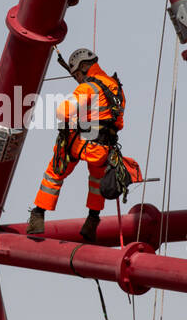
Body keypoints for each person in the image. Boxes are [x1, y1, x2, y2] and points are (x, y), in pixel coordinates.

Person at [27, 48, 125, 242]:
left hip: (82, 144)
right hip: (104, 149)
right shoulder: (116, 87)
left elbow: (63, 112)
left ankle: (38, 215)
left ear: (83, 68)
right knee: (97, 181)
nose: (78, 79)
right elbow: (115, 119)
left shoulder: (87, 88)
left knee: (55, 171)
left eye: (77, 75)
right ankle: (92, 220)